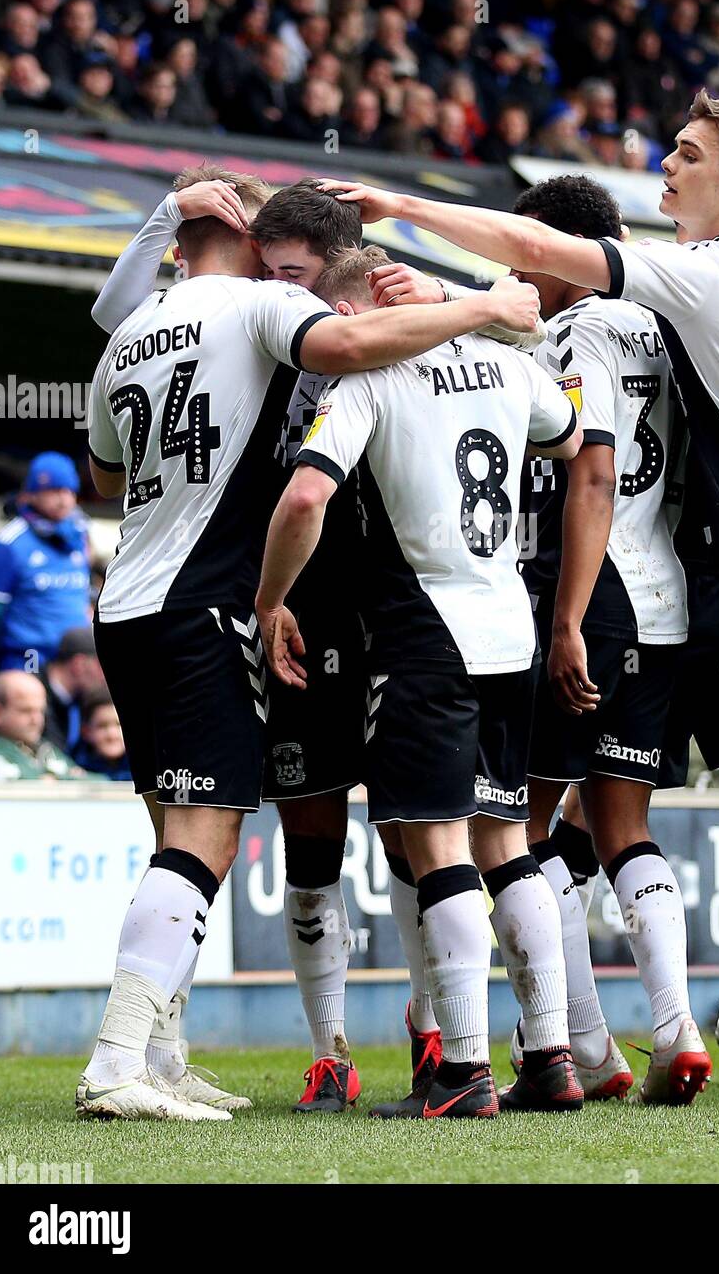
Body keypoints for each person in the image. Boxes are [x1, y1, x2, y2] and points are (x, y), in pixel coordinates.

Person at [317, 86, 719, 1102]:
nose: (664, 172)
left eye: (684, 156)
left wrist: (403, 203)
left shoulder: (690, 277)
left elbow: (547, 260)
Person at [77, 165, 541, 1124]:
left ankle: (161, 1054)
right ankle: (118, 1060)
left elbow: (104, 470)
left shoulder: (124, 339)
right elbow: (353, 339)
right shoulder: (255, 308)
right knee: (204, 840)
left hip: (124, 600)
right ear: (251, 244)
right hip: (209, 600)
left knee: (173, 836)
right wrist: (477, 305)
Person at [257, 243, 583, 1120]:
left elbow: (302, 500)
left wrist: (271, 597)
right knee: (507, 846)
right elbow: (572, 439)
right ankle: (550, 1057)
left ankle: (464, 1071)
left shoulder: (362, 384)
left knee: (436, 850)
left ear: (364, 313)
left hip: (423, 636)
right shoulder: (506, 365)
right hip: (509, 627)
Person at [505, 172, 709, 1106]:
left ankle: (582, 1046)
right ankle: (676, 1027)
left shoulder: (577, 334)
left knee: (527, 824)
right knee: (625, 828)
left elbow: (590, 477)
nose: (517, 267)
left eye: (524, 247)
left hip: (596, 591)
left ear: (556, 248)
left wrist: (566, 620)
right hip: (668, 598)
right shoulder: (666, 328)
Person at [0, 453, 91, 673]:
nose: (64, 499)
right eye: (55, 490)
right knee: (26, 702)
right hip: (28, 658)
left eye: (70, 491)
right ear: (31, 493)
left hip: (74, 662)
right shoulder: (9, 544)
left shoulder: (78, 536)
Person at [0, 670, 92, 781]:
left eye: (41, 711)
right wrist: (67, 778)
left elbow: (98, 782)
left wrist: (50, 780)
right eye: (26, 711)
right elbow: (22, 785)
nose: (36, 720)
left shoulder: (44, 748)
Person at [39, 625, 104, 754]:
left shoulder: (80, 700)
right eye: (102, 664)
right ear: (79, 664)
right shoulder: (31, 695)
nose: (105, 676)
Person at [73, 689, 131, 780]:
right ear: (86, 732)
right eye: (102, 726)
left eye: (119, 724)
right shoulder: (73, 766)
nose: (112, 735)